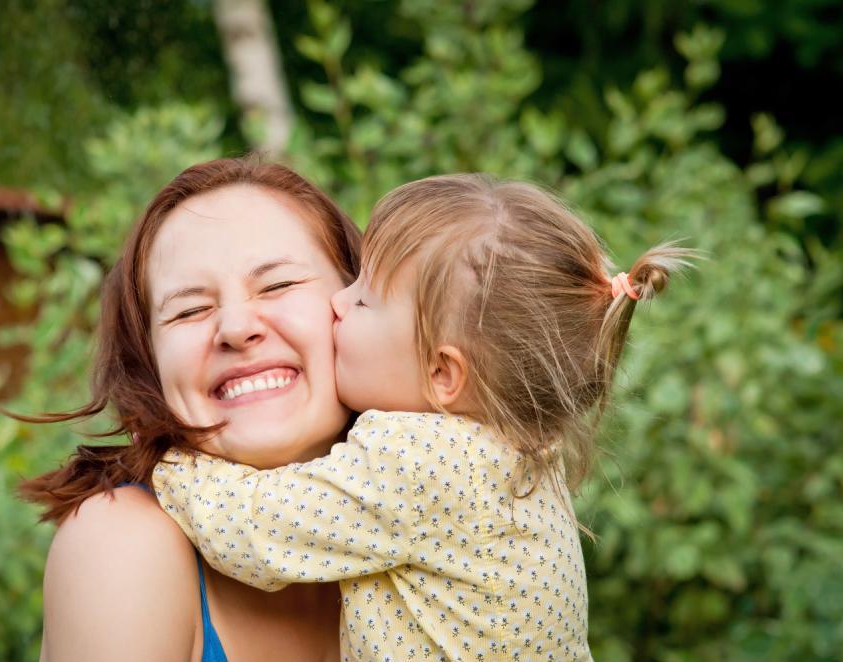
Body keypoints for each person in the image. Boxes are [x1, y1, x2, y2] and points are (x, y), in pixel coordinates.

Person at [154, 174, 694, 660]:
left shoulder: (420, 459)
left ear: (442, 373)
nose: (338, 303)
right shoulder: (522, 451)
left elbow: (253, 533)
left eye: (365, 301)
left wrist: (169, 458)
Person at [19, 156, 362, 661]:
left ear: (361, 304)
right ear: (148, 363)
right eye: (190, 310)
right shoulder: (120, 543)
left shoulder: (458, 507)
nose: (235, 327)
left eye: (277, 285)